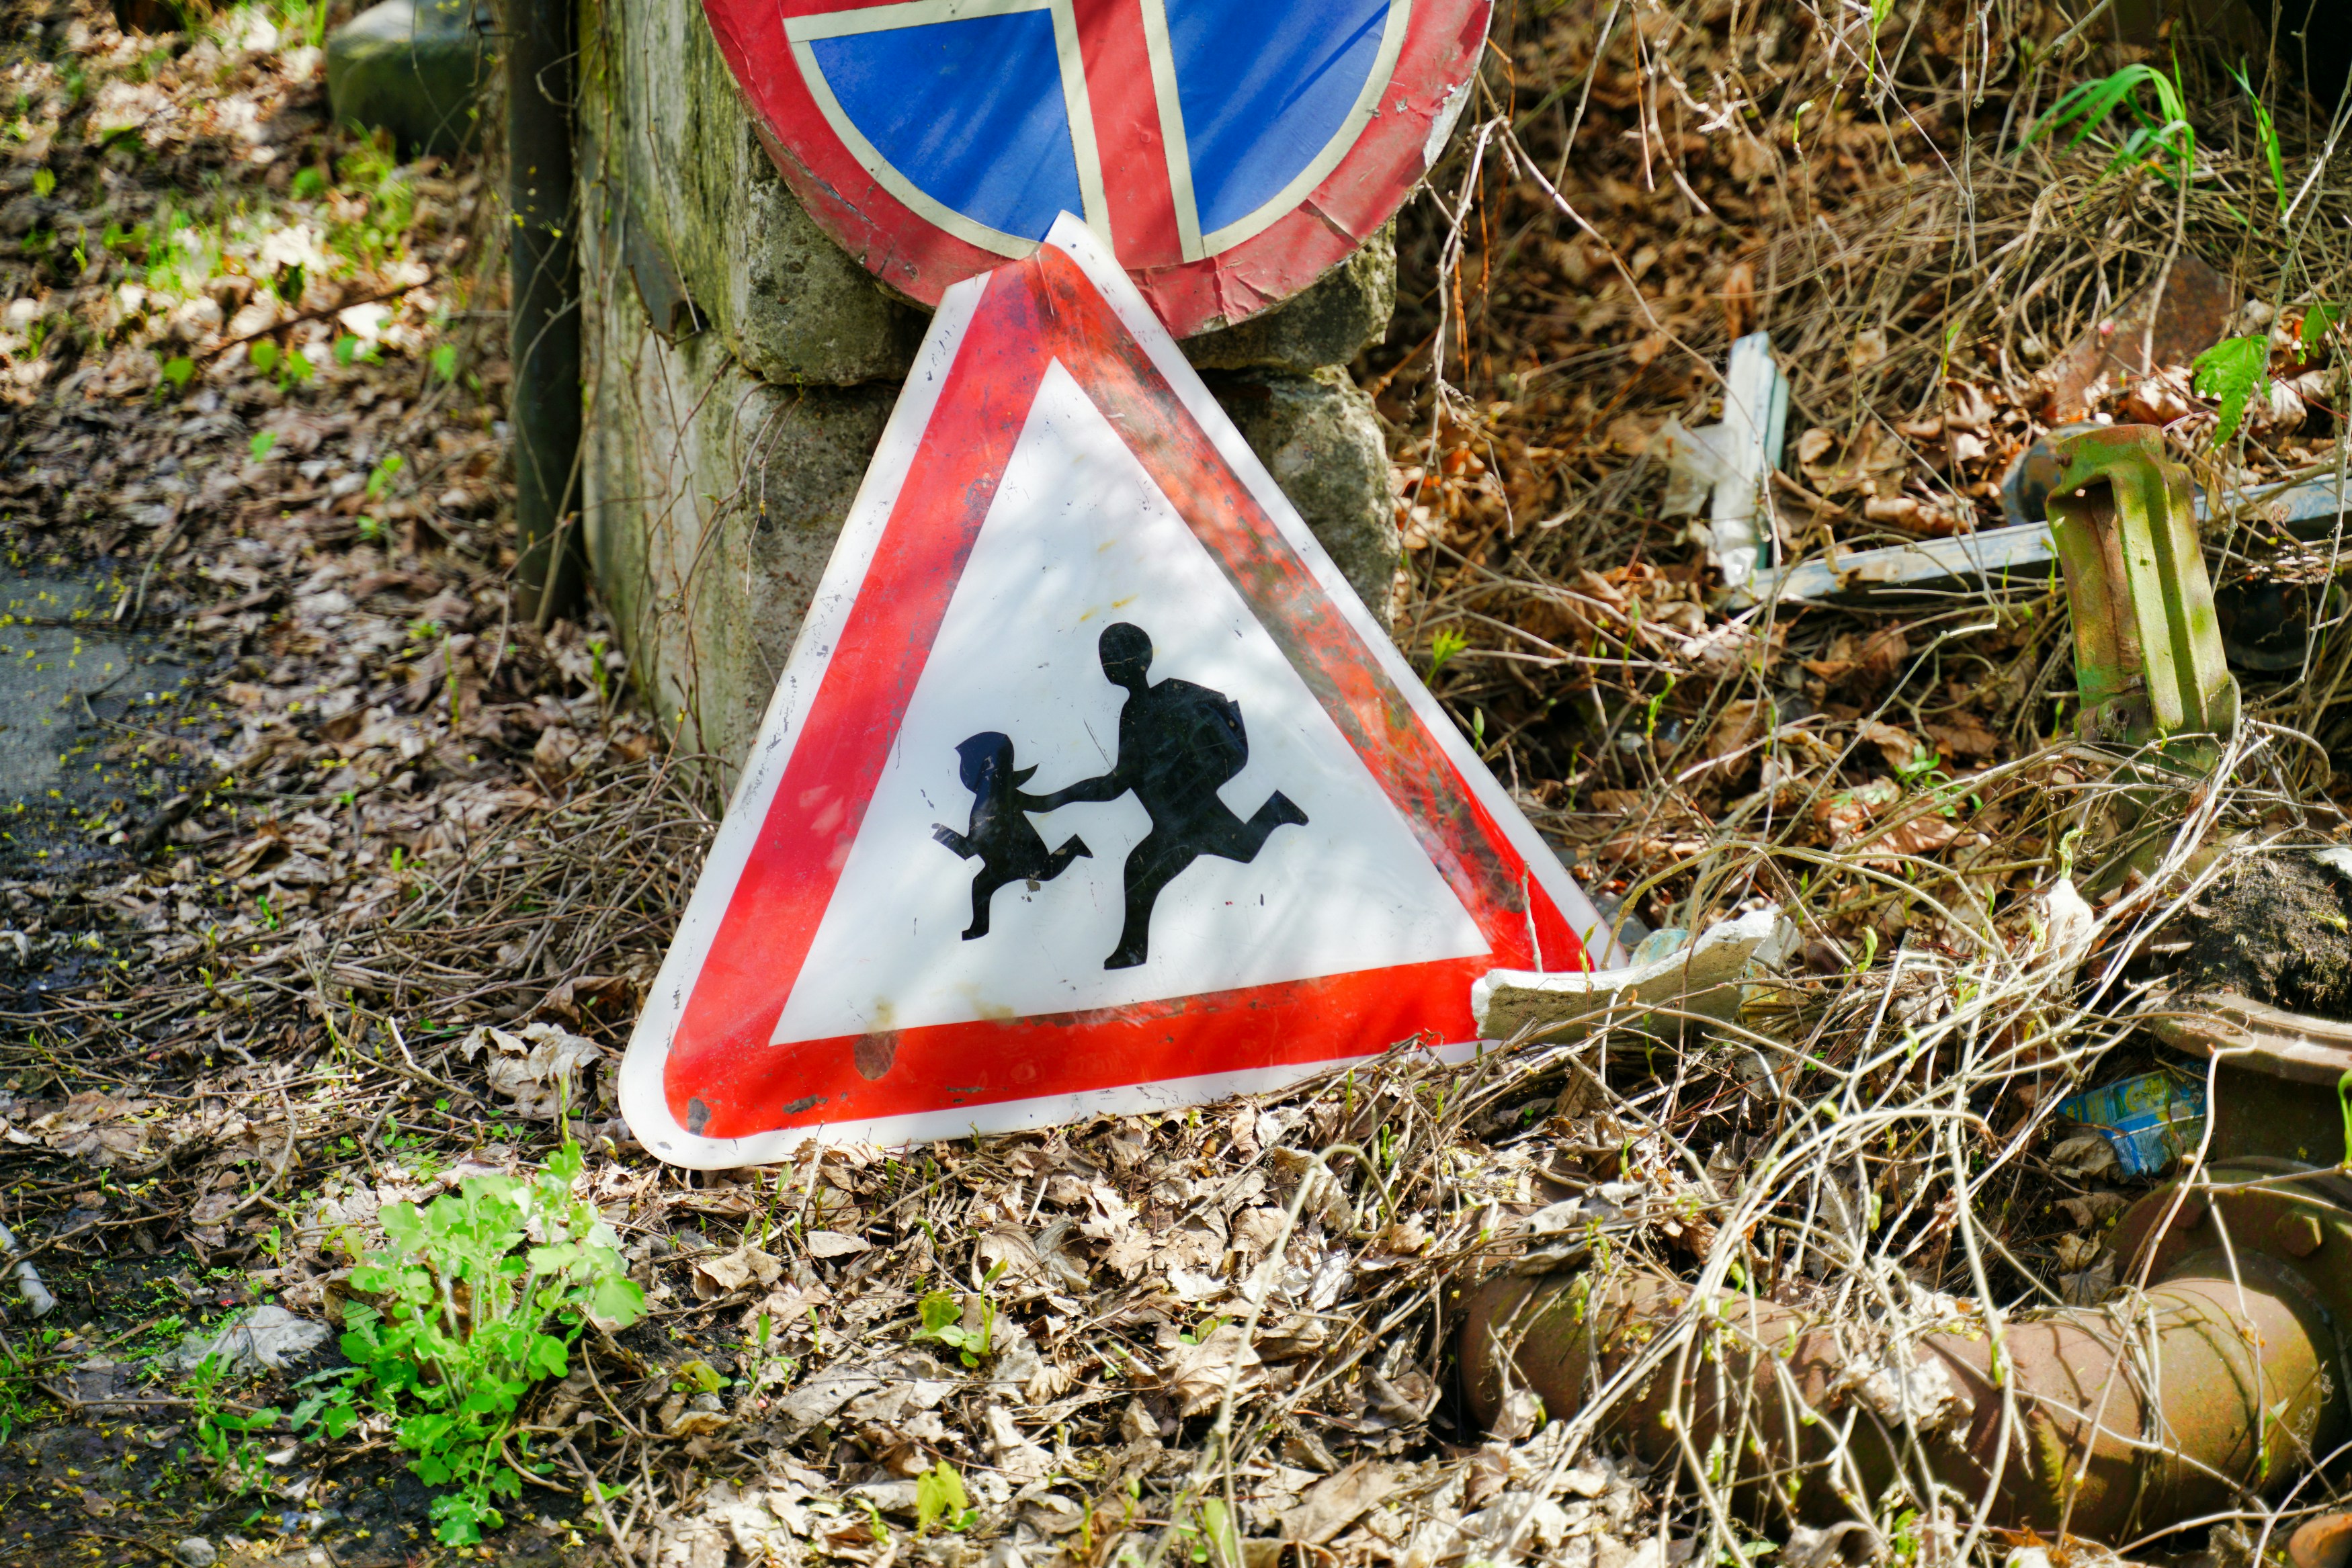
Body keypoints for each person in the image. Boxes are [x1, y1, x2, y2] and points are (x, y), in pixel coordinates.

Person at [1027, 622, 1306, 969]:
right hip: (1170, 819)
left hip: (1191, 811)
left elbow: (1223, 721)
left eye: (1115, 658)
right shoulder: (1133, 713)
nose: (1109, 666)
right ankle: (1133, 951)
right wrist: (1052, 801)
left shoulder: (1173, 693)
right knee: (1144, 875)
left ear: (1139, 659)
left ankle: (1278, 808)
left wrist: (1193, 766)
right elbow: (1118, 782)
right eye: (1106, 659)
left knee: (1233, 851)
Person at [931, 731, 1090, 940]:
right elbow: (969, 849)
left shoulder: (1008, 797)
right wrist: (943, 834)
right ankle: (980, 928)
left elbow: (1044, 804)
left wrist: (1074, 793)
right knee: (981, 886)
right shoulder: (979, 810)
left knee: (1045, 871)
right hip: (998, 863)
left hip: (1025, 856)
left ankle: (1074, 846)